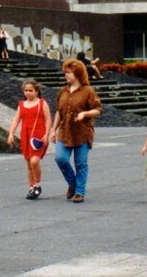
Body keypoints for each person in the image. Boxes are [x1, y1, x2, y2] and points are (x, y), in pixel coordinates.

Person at [51, 58, 101, 203]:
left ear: (78, 74)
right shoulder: (63, 91)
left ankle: (80, 191)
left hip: (82, 132)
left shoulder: (88, 91)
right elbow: (59, 112)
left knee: (80, 163)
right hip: (64, 131)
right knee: (60, 158)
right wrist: (53, 130)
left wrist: (85, 114)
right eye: (65, 72)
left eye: (68, 73)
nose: (66, 75)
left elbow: (98, 110)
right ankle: (72, 183)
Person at [7, 79, 52, 200]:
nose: (28, 93)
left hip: (38, 137)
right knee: (28, 164)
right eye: (26, 90)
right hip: (26, 136)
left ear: (36, 91)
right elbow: (16, 119)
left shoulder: (42, 103)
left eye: (30, 90)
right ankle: (32, 186)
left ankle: (37, 183)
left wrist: (47, 134)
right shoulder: (22, 104)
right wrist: (11, 133)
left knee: (34, 161)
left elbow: (48, 119)